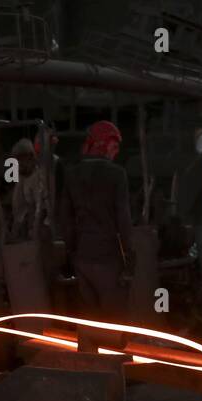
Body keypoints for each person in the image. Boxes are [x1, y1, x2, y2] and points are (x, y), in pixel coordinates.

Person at [58, 120, 132, 352]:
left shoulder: (71, 174)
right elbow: (124, 220)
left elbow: (65, 219)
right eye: (113, 147)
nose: (115, 152)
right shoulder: (116, 175)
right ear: (103, 145)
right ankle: (113, 370)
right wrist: (130, 257)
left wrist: (70, 254)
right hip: (108, 257)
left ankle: (89, 367)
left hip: (82, 256)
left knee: (88, 318)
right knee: (114, 320)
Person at [8, 137, 47, 241]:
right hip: (27, 224)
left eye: (21, 159)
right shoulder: (22, 178)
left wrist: (34, 229)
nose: (19, 164)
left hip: (41, 224)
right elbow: (18, 207)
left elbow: (40, 207)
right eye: (17, 160)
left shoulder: (38, 177)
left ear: (30, 157)